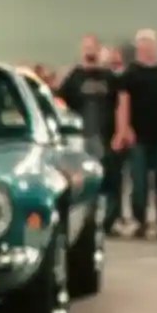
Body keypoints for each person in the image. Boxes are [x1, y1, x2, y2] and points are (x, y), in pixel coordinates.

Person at [116, 29, 157, 240]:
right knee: (139, 183)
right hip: (138, 137)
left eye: (150, 44)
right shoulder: (130, 74)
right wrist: (125, 129)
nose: (147, 48)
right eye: (143, 44)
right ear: (138, 47)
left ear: (156, 46)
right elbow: (123, 103)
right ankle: (140, 221)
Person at [58, 34, 123, 234]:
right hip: (80, 140)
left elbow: (120, 105)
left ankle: (110, 222)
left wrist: (120, 132)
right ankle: (85, 223)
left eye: (92, 47)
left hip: (106, 138)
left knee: (111, 182)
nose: (89, 51)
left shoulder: (110, 78)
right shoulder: (73, 77)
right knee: (85, 185)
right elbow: (60, 103)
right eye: (86, 47)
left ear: (98, 49)